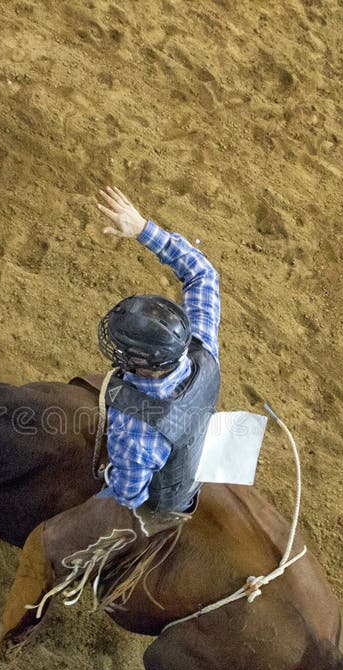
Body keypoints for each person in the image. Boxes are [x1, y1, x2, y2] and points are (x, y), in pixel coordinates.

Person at [95, 186, 221, 527]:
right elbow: (202, 274)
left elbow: (128, 500)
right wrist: (142, 229)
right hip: (196, 435)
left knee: (97, 513)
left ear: (144, 364)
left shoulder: (136, 431)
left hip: (165, 496)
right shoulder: (201, 348)